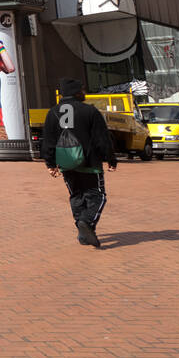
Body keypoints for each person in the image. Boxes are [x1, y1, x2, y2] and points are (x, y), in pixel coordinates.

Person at [40, 77, 117, 248]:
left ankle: (83, 233)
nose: (84, 93)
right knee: (98, 196)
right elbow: (102, 138)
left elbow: (48, 141)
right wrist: (111, 158)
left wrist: (50, 163)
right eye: (82, 90)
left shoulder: (52, 112)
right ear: (76, 92)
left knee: (76, 195)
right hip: (90, 162)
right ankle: (86, 222)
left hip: (66, 162)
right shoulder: (89, 111)